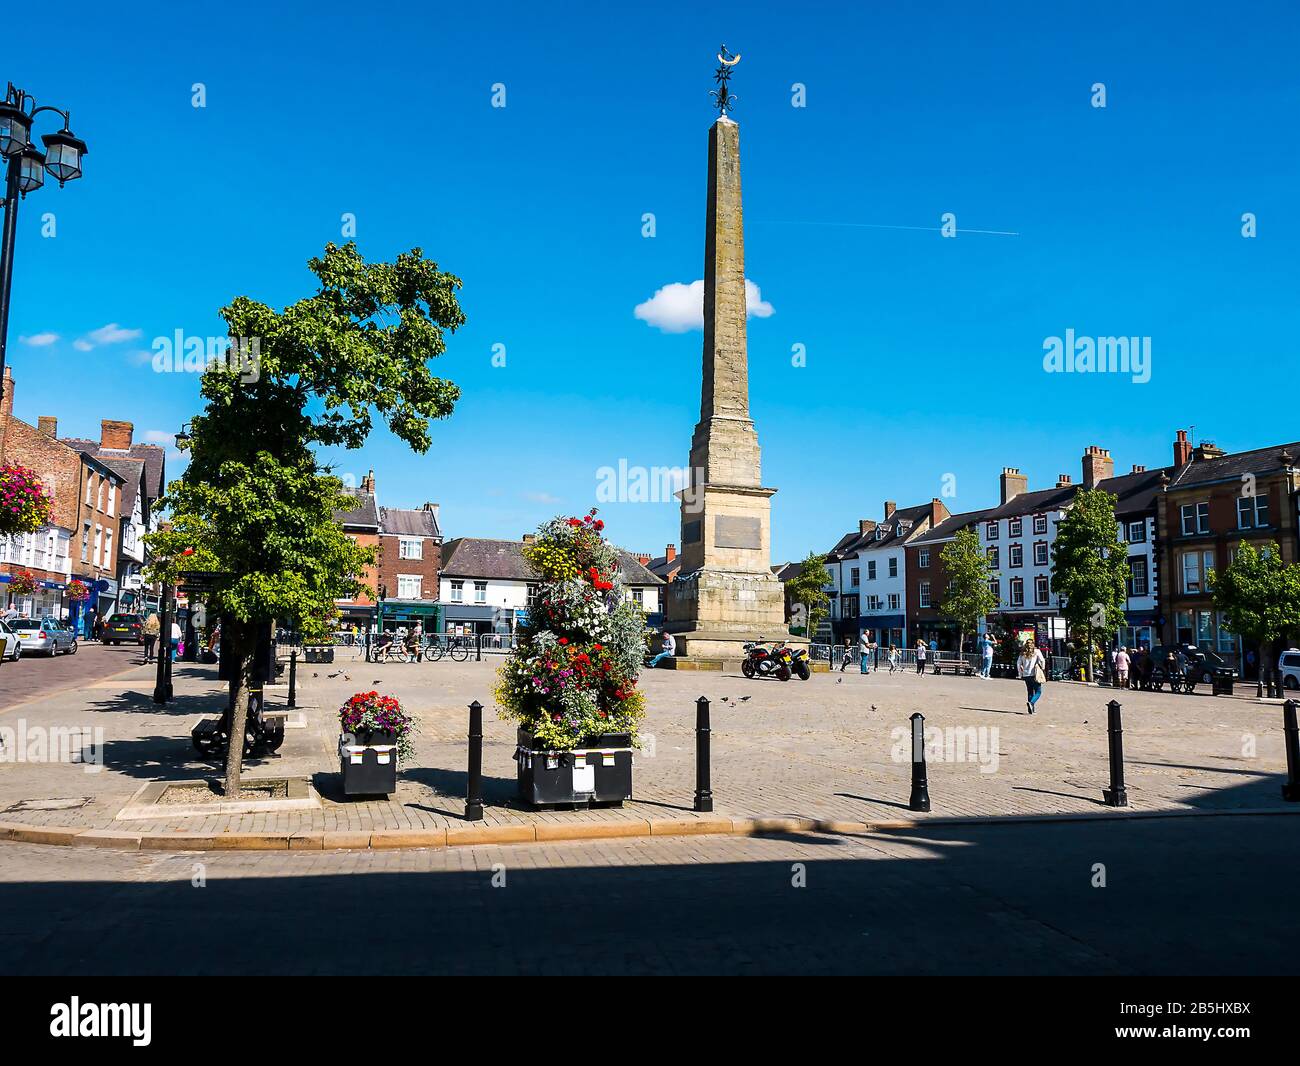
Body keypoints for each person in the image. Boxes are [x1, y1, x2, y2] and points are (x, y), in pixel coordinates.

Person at [1018, 638, 1047, 714]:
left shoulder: (1022, 653)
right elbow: (1042, 660)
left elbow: (1018, 664)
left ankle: (1031, 710)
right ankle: (1032, 703)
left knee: (1030, 691)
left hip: (1026, 674)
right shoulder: (1036, 651)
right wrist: (1043, 668)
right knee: (1038, 691)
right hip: (1034, 674)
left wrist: (1020, 674)